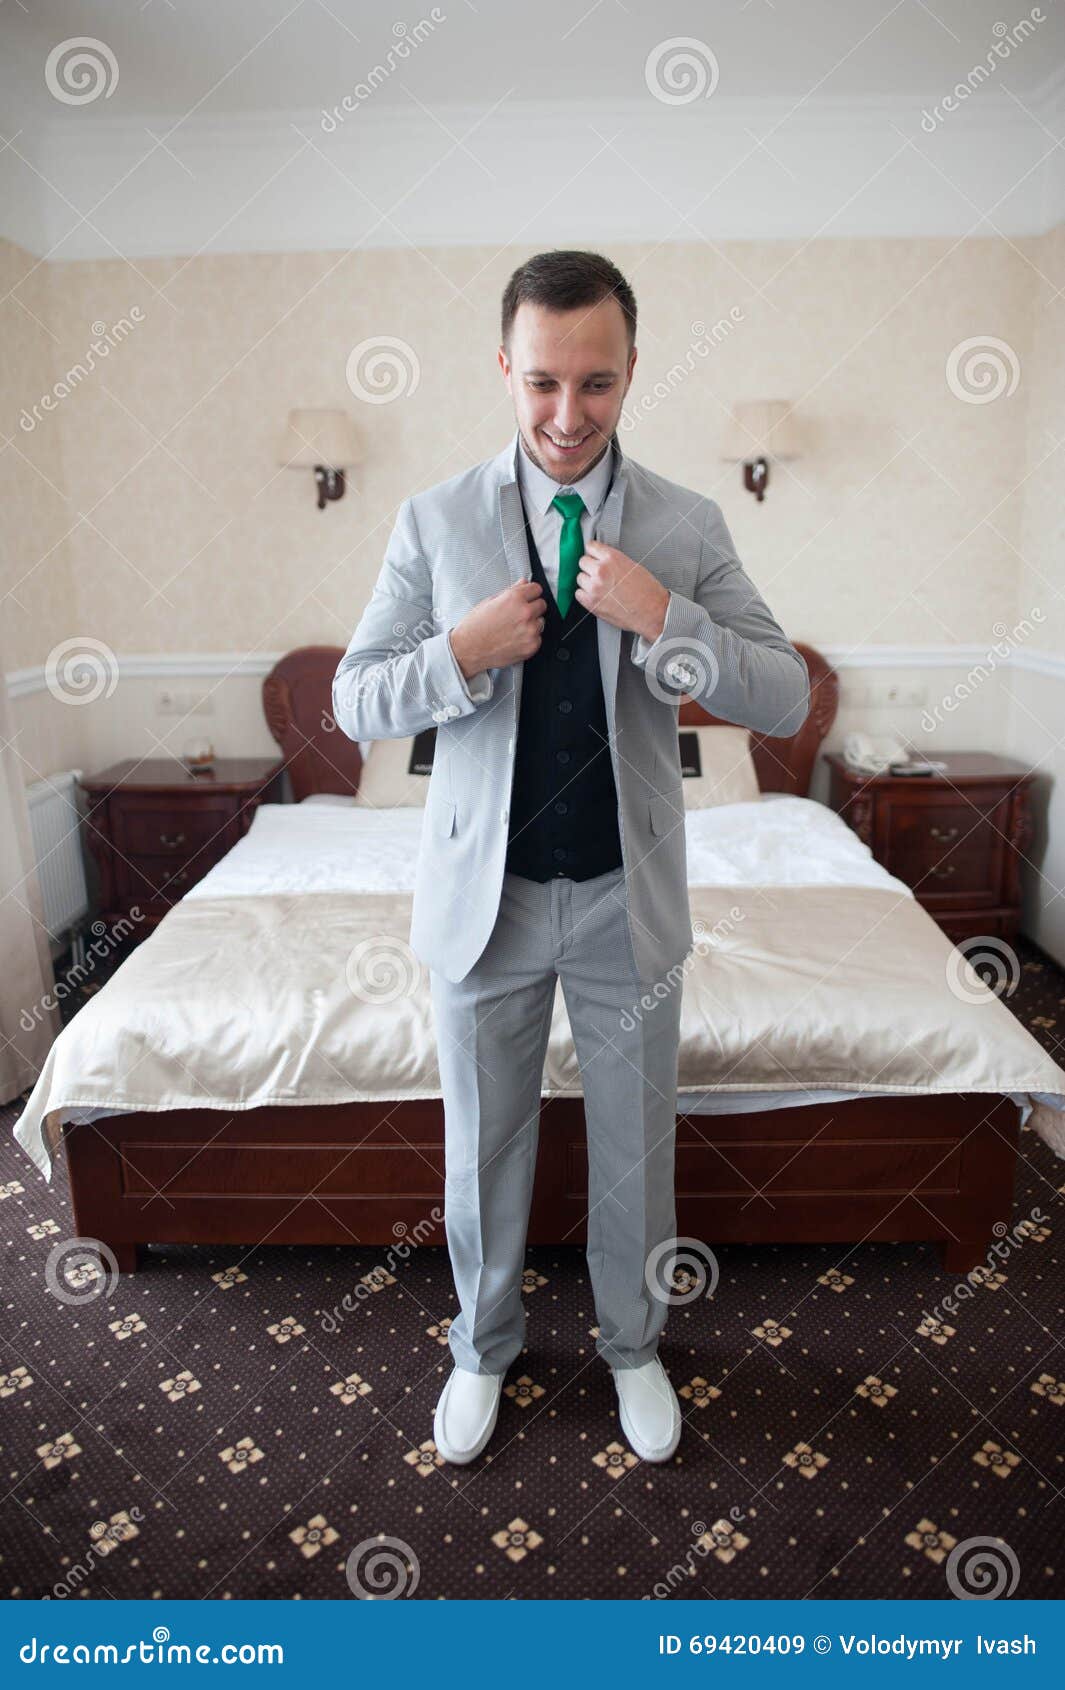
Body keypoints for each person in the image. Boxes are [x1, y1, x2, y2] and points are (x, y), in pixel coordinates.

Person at [332, 249, 809, 1466]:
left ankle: (635, 1344)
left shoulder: (686, 526)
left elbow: (785, 696)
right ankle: (482, 1348)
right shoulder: (431, 521)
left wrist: (668, 619)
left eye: (596, 383)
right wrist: (460, 650)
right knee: (482, 1151)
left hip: (623, 903)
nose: (565, 414)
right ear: (504, 368)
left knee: (635, 1148)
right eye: (542, 380)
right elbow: (356, 703)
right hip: (480, 908)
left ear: (631, 371)